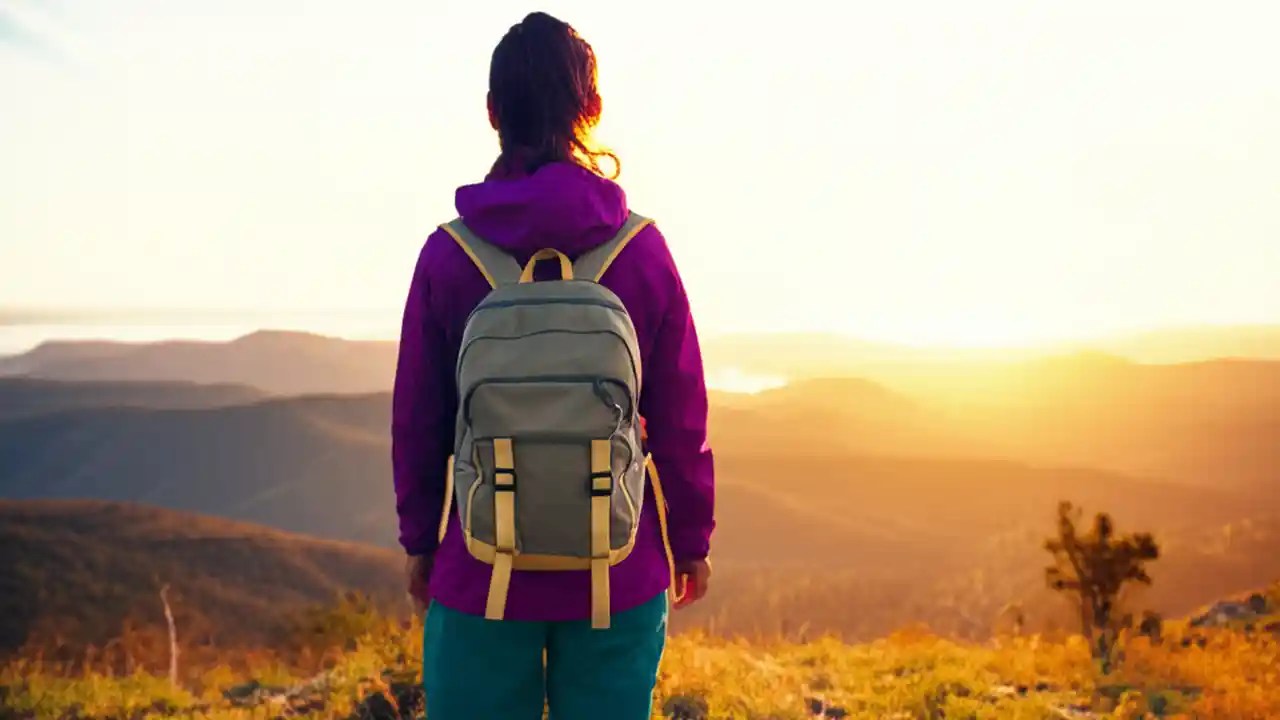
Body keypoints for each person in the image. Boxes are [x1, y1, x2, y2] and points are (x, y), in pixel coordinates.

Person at [390, 11, 716, 720]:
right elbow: (681, 412)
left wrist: (421, 540)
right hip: (617, 574)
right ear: (592, 109)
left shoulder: (449, 256)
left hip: (481, 574)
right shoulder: (643, 252)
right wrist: (690, 537)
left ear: (492, 112)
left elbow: (419, 421)